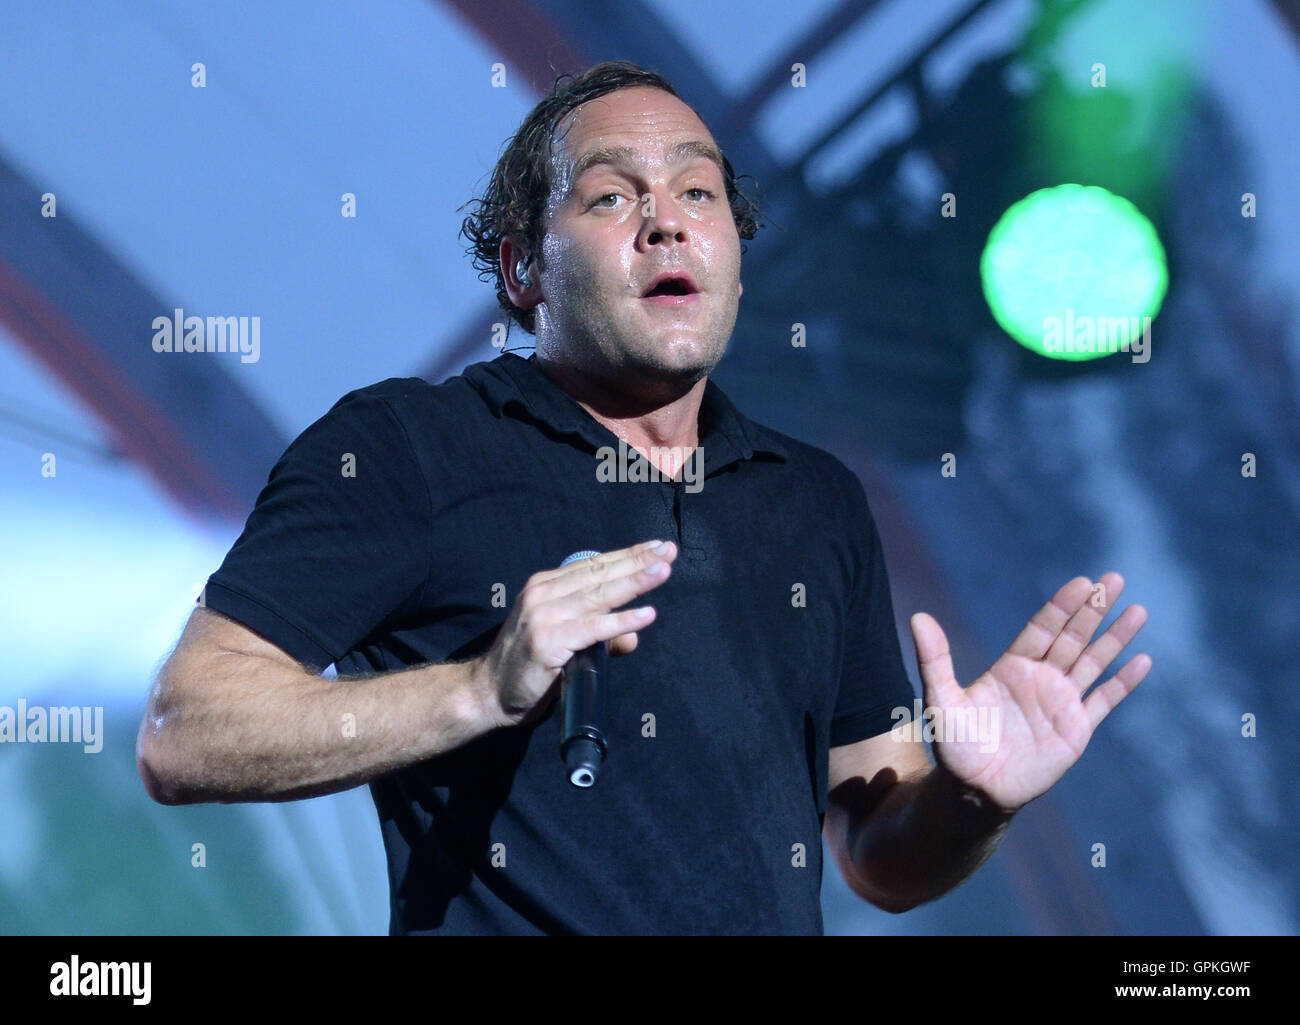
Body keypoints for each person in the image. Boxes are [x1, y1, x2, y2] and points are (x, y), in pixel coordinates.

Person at [137, 60, 1151, 935]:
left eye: (699, 194)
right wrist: (478, 688)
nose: (667, 220)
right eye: (613, 197)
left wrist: (972, 798)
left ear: (737, 264)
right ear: (524, 265)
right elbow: (188, 729)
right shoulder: (409, 445)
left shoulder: (814, 500)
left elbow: (877, 859)